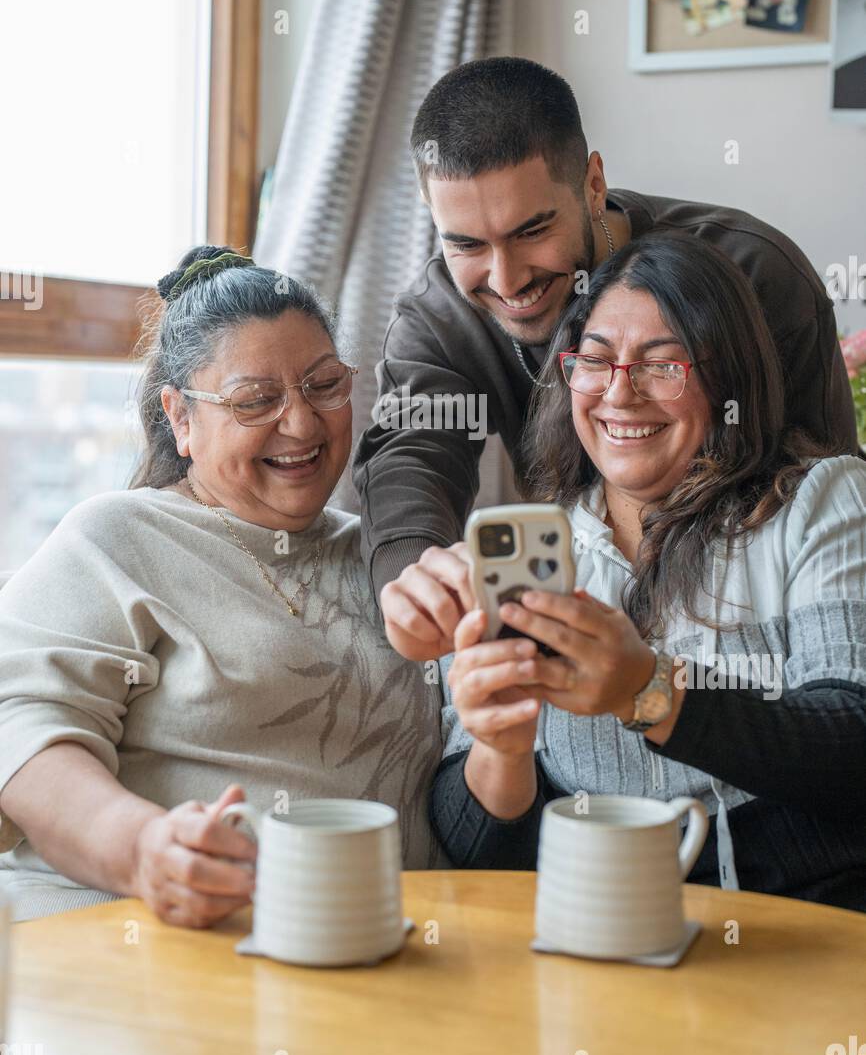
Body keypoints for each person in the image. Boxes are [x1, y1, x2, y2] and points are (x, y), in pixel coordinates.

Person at [356, 56, 857, 666]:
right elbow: (413, 452)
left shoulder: (755, 273)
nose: (507, 279)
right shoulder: (438, 319)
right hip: (574, 614)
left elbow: (824, 500)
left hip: (750, 631)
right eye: (465, 243)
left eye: (531, 231)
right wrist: (415, 577)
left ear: (593, 183)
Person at [0, 248, 445, 925]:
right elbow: (22, 736)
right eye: (255, 401)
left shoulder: (383, 556)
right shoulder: (117, 538)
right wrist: (144, 849)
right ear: (180, 418)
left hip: (358, 947)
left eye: (324, 384)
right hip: (131, 942)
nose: (300, 424)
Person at [427, 233, 866, 910]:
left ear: (730, 380)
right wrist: (502, 752)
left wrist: (648, 690)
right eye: (595, 362)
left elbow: (852, 747)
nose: (619, 395)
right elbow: (485, 856)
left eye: (662, 365)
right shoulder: (536, 550)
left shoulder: (821, 503)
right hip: (604, 938)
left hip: (803, 939)